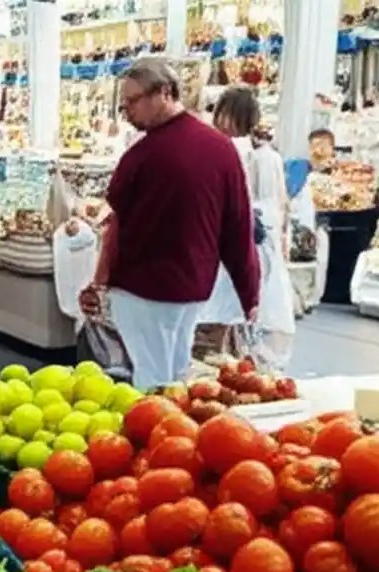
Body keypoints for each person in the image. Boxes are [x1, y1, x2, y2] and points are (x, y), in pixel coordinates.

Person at [81, 58, 259, 389]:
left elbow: (115, 226)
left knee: (152, 379)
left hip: (142, 288)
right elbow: (238, 227)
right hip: (193, 288)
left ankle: (154, 435)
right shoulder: (220, 148)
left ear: (164, 92)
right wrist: (250, 291)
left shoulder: (140, 156)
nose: (127, 112)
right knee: (175, 375)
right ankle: (176, 434)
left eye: (132, 101)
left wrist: (99, 281)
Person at [209, 86, 296, 369]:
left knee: (226, 305)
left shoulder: (239, 151)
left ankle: (226, 358)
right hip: (256, 237)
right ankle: (235, 358)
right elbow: (280, 204)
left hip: (240, 237)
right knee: (238, 307)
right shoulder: (264, 154)